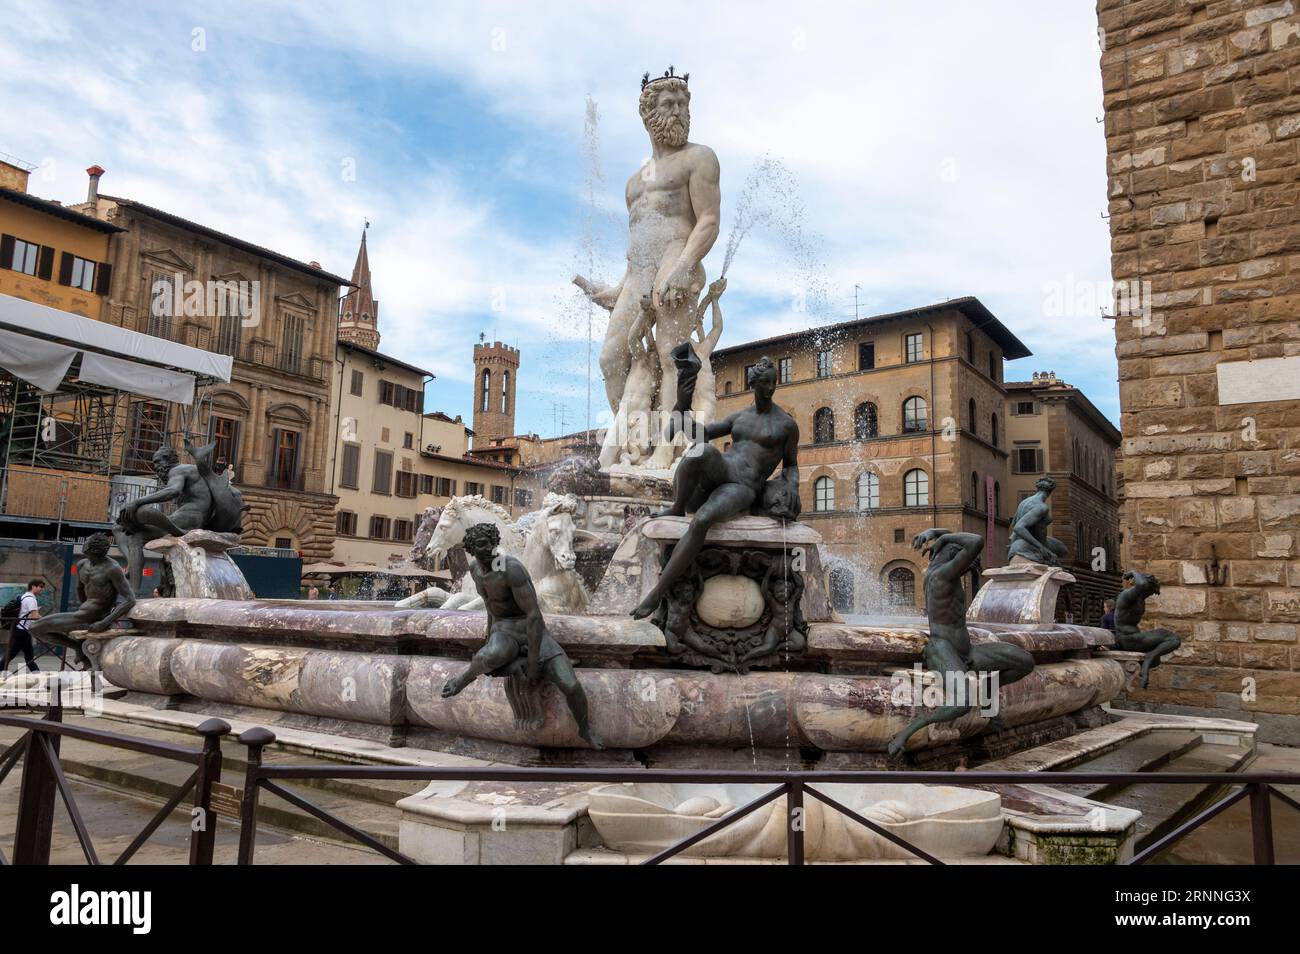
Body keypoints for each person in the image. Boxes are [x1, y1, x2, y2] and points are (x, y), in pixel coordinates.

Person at [631, 356, 799, 619]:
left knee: (703, 520)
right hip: (725, 467)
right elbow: (700, 434)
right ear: (753, 384)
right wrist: (682, 401)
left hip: (744, 485)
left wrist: (793, 489)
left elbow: (791, 465)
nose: (770, 388)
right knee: (701, 450)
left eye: (773, 382)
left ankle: (657, 593)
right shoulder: (739, 417)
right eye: (765, 383)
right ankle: (676, 507)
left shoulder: (786, 425)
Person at [440, 522, 604, 749]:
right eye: (480, 545)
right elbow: (490, 607)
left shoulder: (511, 569)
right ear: (471, 549)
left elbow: (534, 617)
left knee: (571, 685)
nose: (487, 549)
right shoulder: (476, 571)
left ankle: (585, 728)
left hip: (530, 631)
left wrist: (535, 661)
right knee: (489, 656)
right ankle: (462, 680)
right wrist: (490, 637)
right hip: (504, 630)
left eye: (490, 543)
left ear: (496, 542)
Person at [887, 529, 1035, 757]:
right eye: (968, 561)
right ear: (956, 556)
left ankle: (988, 689)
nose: (971, 567)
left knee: (1024, 661)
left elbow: (965, 543)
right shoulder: (942, 575)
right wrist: (945, 538)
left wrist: (936, 532)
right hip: (942, 648)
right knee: (962, 702)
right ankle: (906, 732)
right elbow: (976, 540)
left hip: (966, 650)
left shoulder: (944, 570)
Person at [29, 534, 135, 671]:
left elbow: (130, 599)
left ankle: (81, 651)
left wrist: (104, 622)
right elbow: (80, 589)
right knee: (34, 628)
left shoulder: (112, 568)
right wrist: (84, 609)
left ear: (94, 550)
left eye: (87, 546)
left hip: (97, 618)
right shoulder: (82, 564)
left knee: (35, 628)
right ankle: (78, 647)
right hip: (82, 615)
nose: (84, 548)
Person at [4, 579, 45, 673]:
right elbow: (35, 616)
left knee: (29, 657)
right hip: (22, 632)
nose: (42, 589)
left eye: (43, 587)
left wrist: (44, 618)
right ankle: (38, 675)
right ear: (33, 587)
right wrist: (47, 622)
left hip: (21, 630)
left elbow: (32, 614)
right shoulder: (31, 599)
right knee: (10, 656)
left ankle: (37, 675)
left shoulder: (24, 597)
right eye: (40, 587)